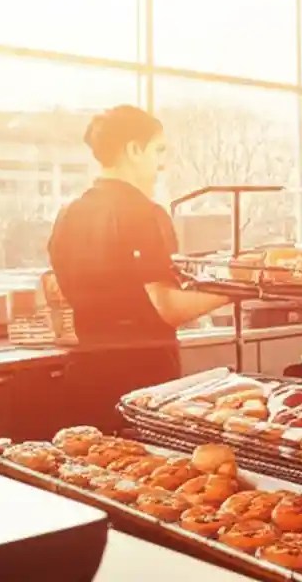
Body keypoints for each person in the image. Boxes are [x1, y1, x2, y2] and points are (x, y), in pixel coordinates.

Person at [48, 105, 229, 381]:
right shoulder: (145, 214)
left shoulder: (68, 214)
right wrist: (241, 289)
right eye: (158, 150)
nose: (162, 163)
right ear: (133, 151)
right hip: (142, 376)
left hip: (86, 374)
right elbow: (167, 307)